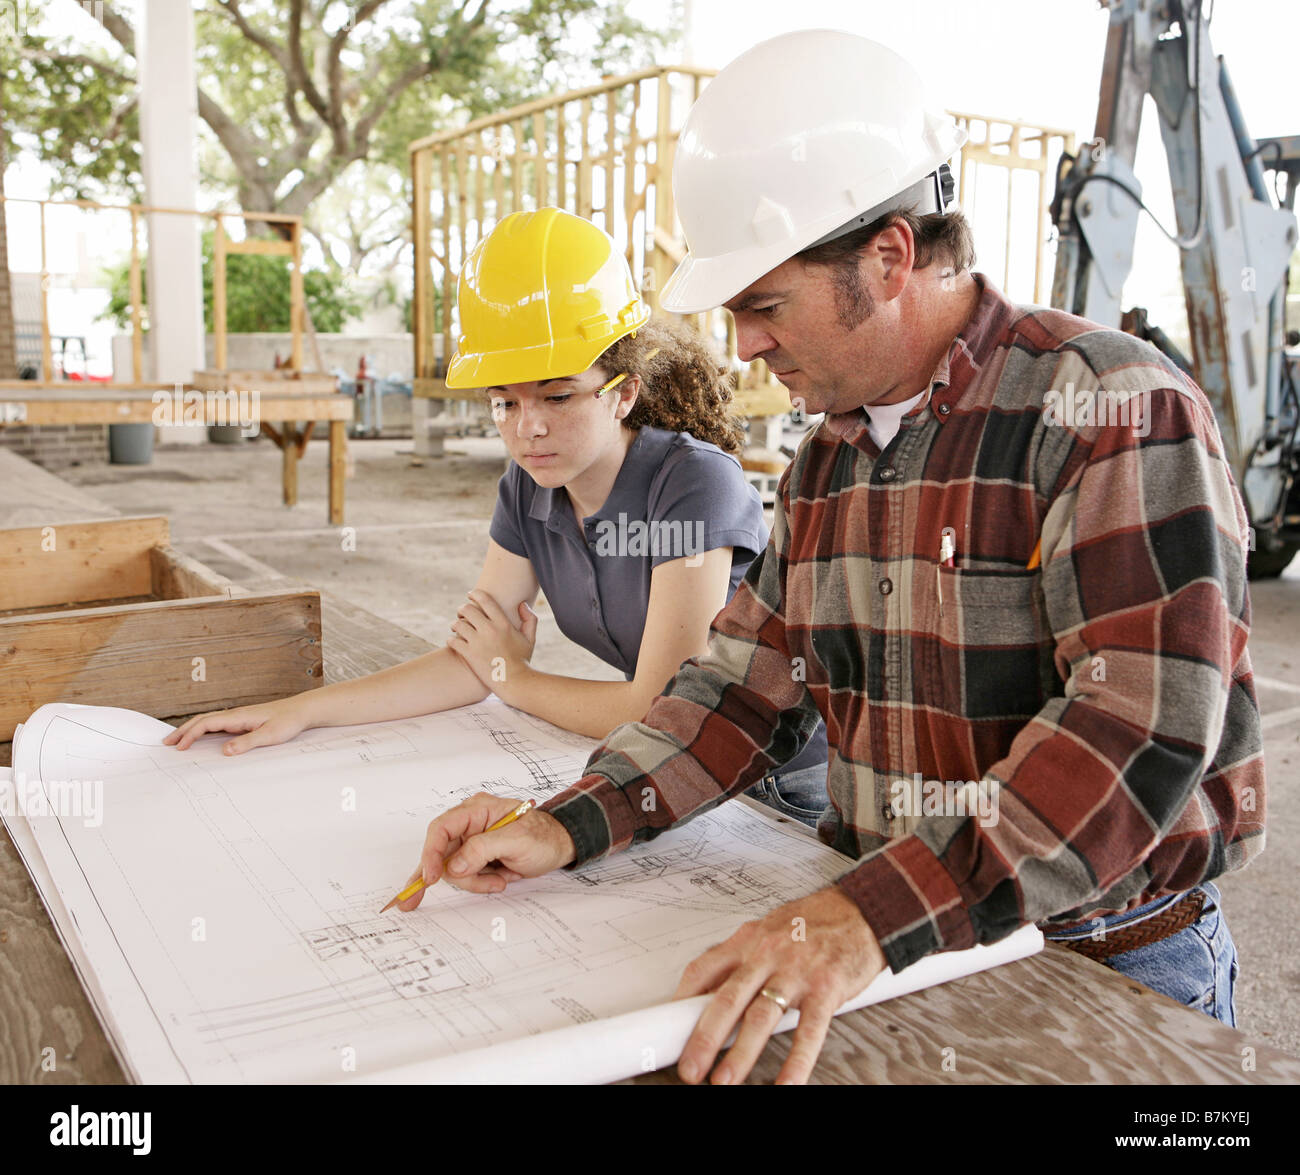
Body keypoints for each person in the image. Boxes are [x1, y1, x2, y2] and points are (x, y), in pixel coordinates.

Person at [394, 31, 1265, 1085]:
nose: (744, 344)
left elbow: (1136, 727)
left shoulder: (1105, 406)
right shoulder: (826, 464)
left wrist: (862, 915)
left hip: (1102, 966)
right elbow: (739, 691)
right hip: (897, 955)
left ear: (888, 257)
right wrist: (574, 819)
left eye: (764, 304)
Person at [165, 207, 829, 825]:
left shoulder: (692, 481)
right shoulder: (530, 488)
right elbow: (468, 660)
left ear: (623, 394)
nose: (529, 428)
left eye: (558, 395)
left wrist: (513, 677)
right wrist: (300, 711)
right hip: (684, 772)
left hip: (781, 782)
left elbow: (659, 706)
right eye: (504, 403)